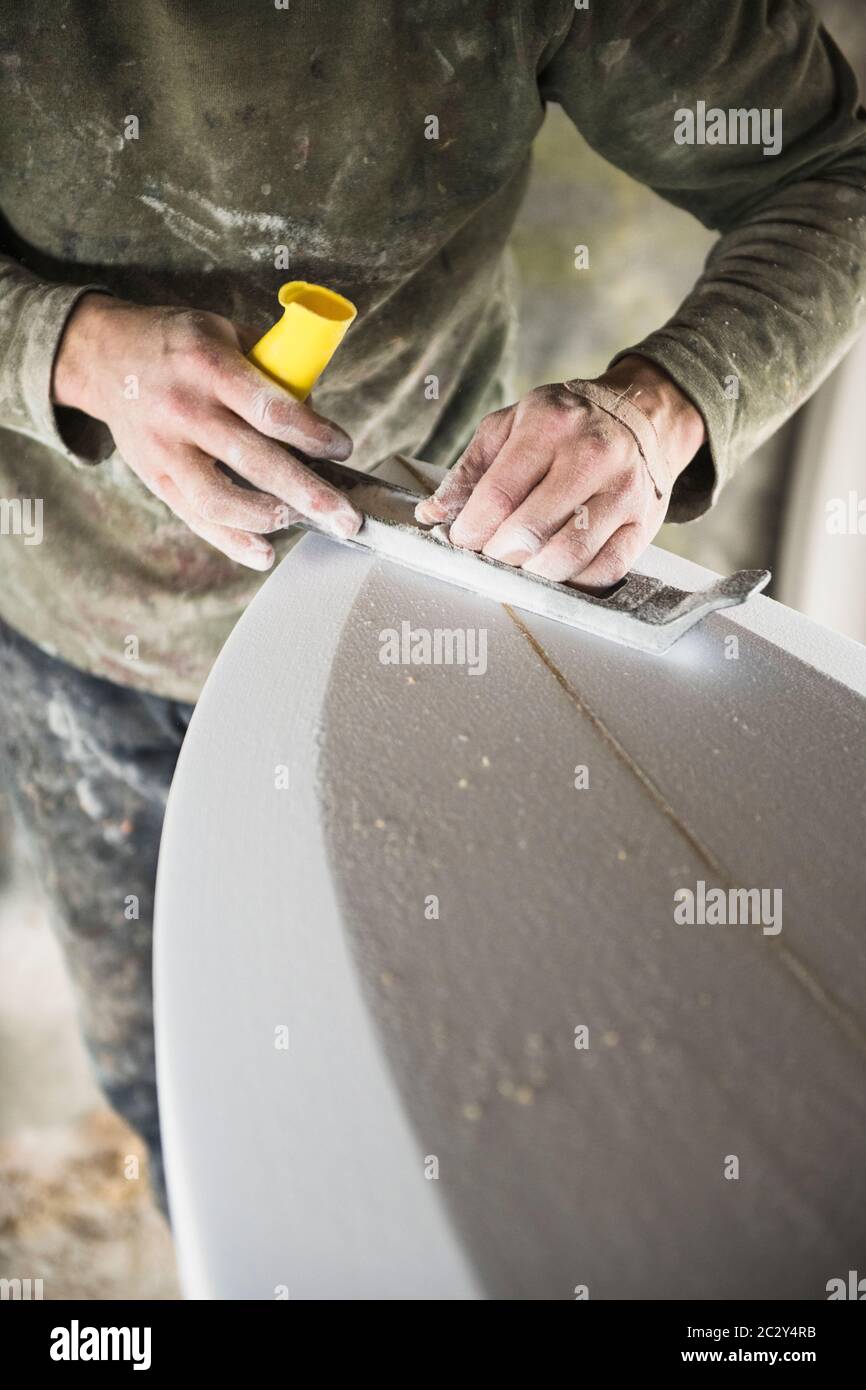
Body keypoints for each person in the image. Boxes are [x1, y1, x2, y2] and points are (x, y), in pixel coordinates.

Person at [1, 1, 864, 1213]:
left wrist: (660, 407)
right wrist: (67, 347)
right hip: (89, 620)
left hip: (419, 603)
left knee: (433, 1068)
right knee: (181, 1080)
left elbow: (834, 170)